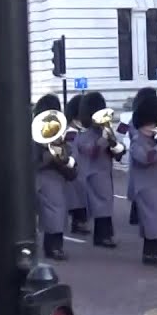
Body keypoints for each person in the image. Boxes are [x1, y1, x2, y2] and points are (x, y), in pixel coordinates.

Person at [128, 93, 157, 266]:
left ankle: (153, 252)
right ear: (142, 125)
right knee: (153, 221)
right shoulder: (137, 142)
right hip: (146, 188)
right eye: (149, 125)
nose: (152, 128)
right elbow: (147, 159)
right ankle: (153, 253)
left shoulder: (151, 138)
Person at [77, 91, 124, 248]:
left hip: (104, 172)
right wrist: (104, 139)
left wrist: (114, 144)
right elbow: (92, 151)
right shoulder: (83, 135)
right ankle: (102, 236)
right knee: (101, 205)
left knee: (106, 204)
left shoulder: (104, 131)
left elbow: (116, 154)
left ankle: (104, 234)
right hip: (93, 174)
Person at [32, 94, 75, 261]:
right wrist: (50, 155)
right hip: (43, 177)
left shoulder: (57, 129)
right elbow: (34, 160)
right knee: (52, 213)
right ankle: (52, 247)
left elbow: (65, 149)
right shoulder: (35, 132)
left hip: (57, 177)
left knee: (58, 212)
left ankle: (54, 245)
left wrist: (63, 154)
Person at [62, 95, 90, 236]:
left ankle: (79, 221)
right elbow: (71, 149)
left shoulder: (78, 131)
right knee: (76, 197)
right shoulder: (70, 132)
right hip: (74, 169)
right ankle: (77, 223)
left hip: (82, 169)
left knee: (81, 197)